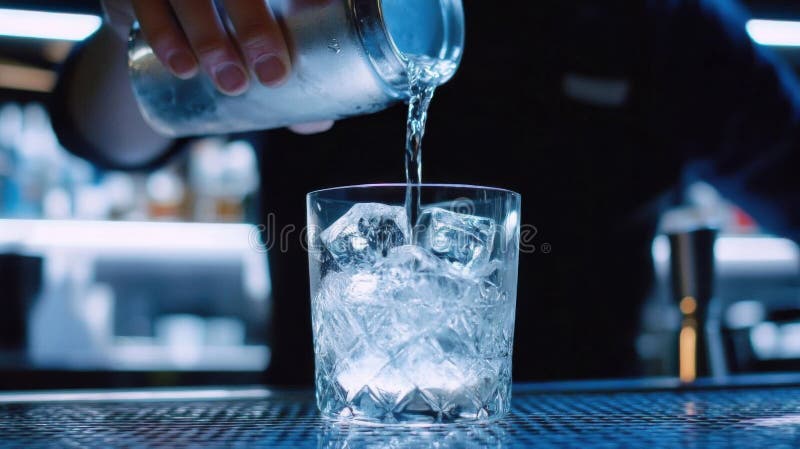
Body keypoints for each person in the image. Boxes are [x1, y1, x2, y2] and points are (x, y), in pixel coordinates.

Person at [51, 0, 800, 385]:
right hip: (329, 424)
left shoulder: (664, 23)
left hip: (583, 424)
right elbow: (99, 133)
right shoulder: (316, 9)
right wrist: (155, 31)